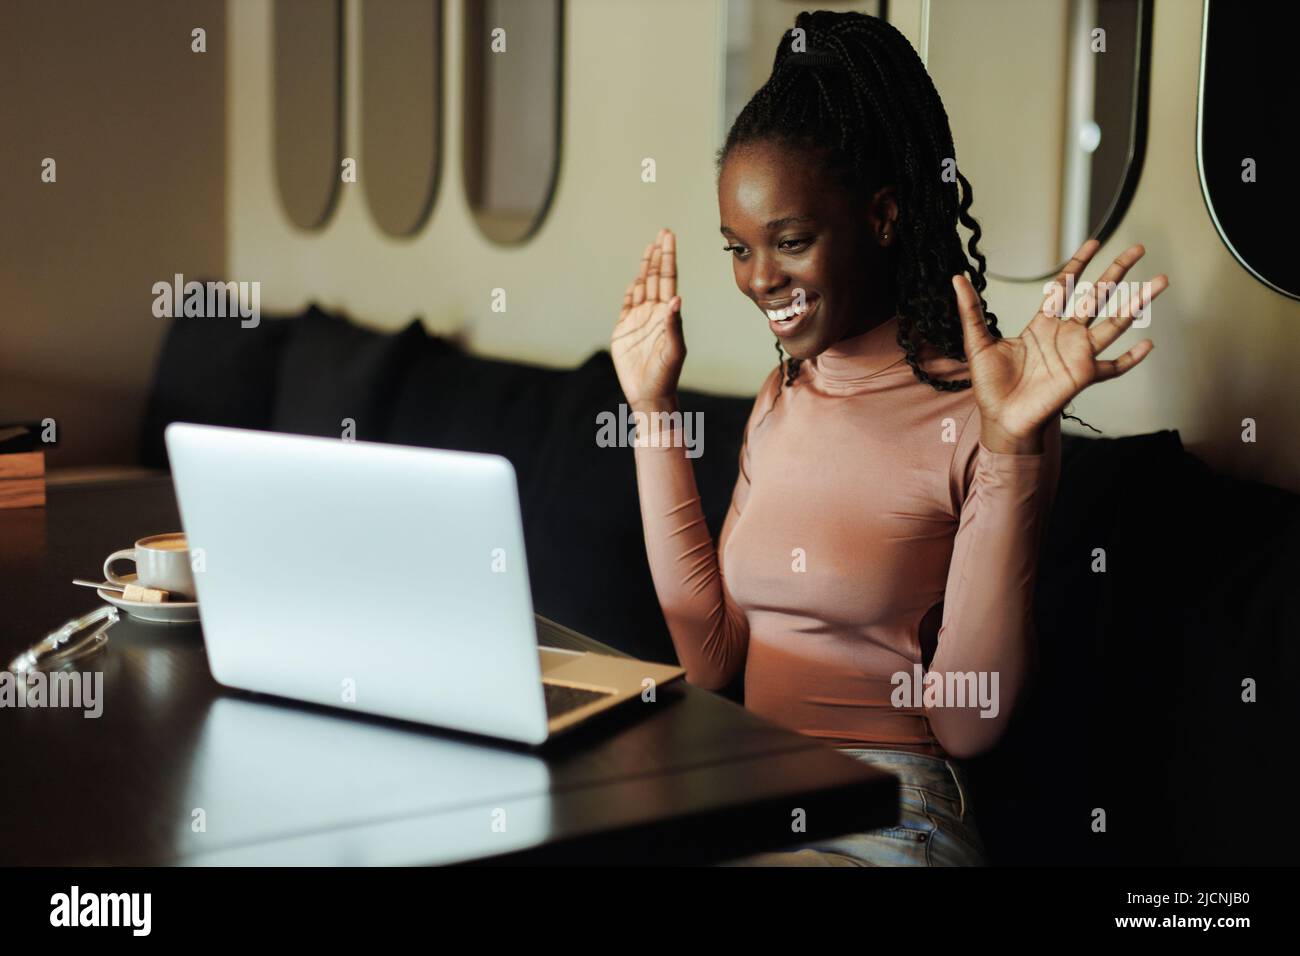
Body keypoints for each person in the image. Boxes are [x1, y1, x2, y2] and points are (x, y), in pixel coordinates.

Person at [609, 11, 1167, 866]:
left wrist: (1015, 447)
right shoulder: (781, 397)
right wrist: (651, 409)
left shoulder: (985, 416)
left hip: (888, 811)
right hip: (743, 785)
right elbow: (712, 656)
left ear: (881, 215)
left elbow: (968, 723)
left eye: (790, 242)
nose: (760, 280)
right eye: (738, 248)